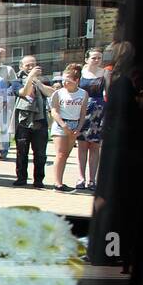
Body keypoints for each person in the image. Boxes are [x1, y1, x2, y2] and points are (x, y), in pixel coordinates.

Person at [9, 56, 54, 189]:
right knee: (21, 151)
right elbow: (24, 92)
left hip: (40, 121)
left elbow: (50, 93)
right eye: (28, 65)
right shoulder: (16, 80)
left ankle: (38, 180)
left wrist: (38, 82)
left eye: (33, 65)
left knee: (40, 153)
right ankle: (21, 178)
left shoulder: (44, 79)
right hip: (23, 121)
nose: (31, 68)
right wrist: (31, 78)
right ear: (21, 67)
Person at [50, 64, 88, 193]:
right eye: (63, 80)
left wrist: (79, 128)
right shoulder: (58, 93)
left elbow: (83, 113)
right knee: (60, 154)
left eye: (68, 80)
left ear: (76, 80)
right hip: (61, 124)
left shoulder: (83, 94)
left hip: (75, 124)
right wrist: (63, 125)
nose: (64, 83)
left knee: (66, 155)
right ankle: (57, 183)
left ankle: (60, 181)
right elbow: (54, 112)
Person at [78, 48, 107, 191]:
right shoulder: (80, 73)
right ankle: (81, 178)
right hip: (82, 109)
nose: (96, 60)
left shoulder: (105, 73)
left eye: (99, 58)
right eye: (94, 58)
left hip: (98, 110)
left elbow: (109, 93)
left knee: (95, 146)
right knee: (82, 146)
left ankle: (92, 180)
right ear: (86, 59)